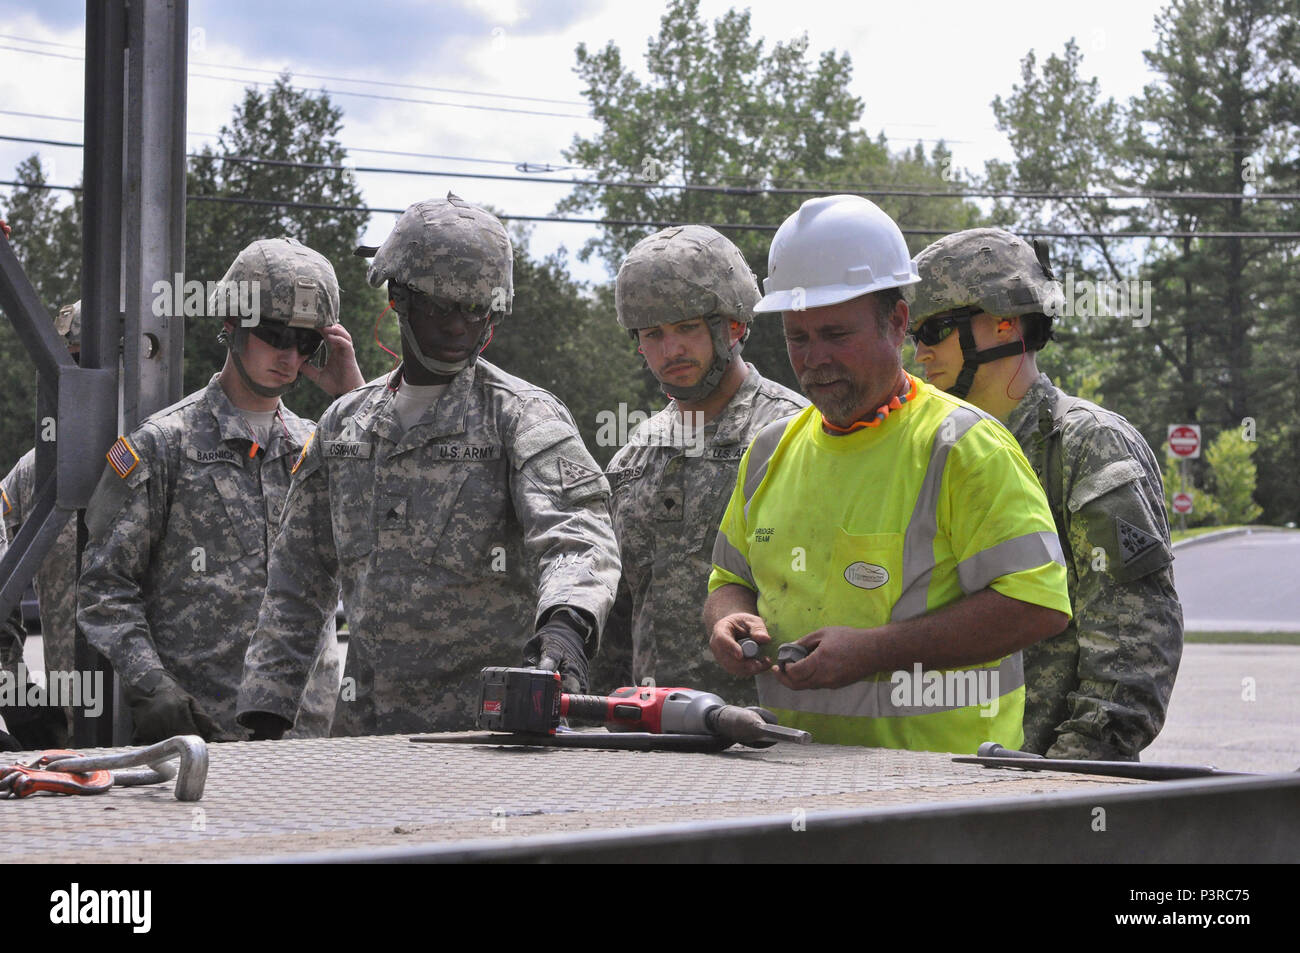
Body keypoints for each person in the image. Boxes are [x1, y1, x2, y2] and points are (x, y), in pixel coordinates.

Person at [236, 193, 620, 738]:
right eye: (443, 307)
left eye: (476, 309)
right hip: (367, 739)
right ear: (400, 297)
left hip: (490, 738)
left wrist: (565, 627)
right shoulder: (346, 425)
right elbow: (297, 578)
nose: (460, 326)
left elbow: (577, 534)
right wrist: (267, 711)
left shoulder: (520, 416)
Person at [705, 195, 1072, 753]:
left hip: (942, 792)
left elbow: (1038, 606)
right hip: (790, 781)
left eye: (836, 334)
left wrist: (876, 650)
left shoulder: (963, 447)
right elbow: (729, 582)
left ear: (897, 322)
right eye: (798, 338)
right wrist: (728, 622)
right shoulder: (769, 452)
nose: (813, 358)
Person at [909, 227, 1182, 760]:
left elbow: (1134, 638)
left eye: (936, 328)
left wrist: (1071, 771)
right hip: (938, 770)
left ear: (1005, 322)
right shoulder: (930, 446)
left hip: (1041, 780)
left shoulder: (1089, 444)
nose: (919, 352)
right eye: (914, 333)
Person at [78, 237, 361, 743]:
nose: (290, 357)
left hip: (306, 740)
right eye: (274, 335)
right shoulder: (163, 446)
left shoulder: (320, 445)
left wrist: (351, 399)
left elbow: (386, 529)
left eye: (306, 344)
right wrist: (152, 686)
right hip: (200, 734)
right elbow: (103, 588)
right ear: (231, 326)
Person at [594, 225, 805, 703]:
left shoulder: (794, 436)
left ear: (732, 326)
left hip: (771, 734)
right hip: (654, 735)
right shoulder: (632, 460)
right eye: (653, 334)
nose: (671, 351)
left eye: (687, 328)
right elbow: (619, 614)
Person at [1, 301, 86, 747]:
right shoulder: (34, 474)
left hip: (178, 736)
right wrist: (21, 702)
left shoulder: (172, 457)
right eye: (68, 366)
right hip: (72, 745)